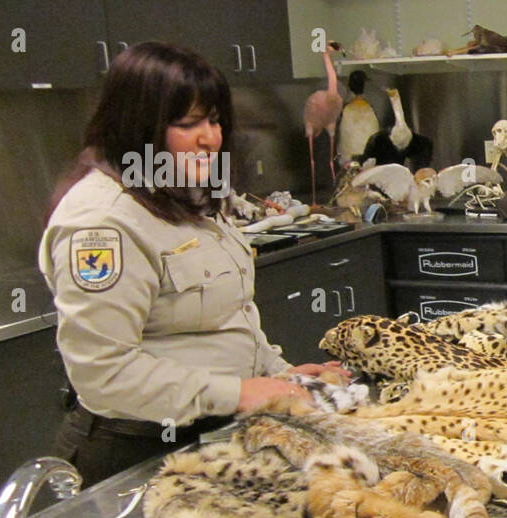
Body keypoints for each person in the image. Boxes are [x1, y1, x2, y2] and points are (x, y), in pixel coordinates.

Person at [40, 42, 345, 486]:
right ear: (136, 128)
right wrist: (239, 392)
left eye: (214, 119)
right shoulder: (102, 224)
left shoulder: (181, 193)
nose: (210, 137)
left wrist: (277, 375)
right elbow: (105, 373)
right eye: (188, 124)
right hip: (134, 452)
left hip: (210, 433)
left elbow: (230, 314)